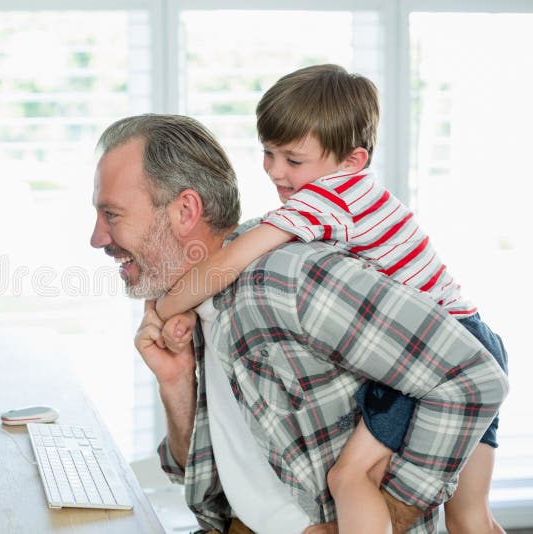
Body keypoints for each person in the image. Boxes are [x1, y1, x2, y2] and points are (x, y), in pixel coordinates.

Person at [89, 112, 508, 533]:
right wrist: (176, 381)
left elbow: (472, 378)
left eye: (112, 214)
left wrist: (390, 515)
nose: (97, 238)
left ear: (185, 211)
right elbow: (191, 474)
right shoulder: (196, 307)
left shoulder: (287, 279)